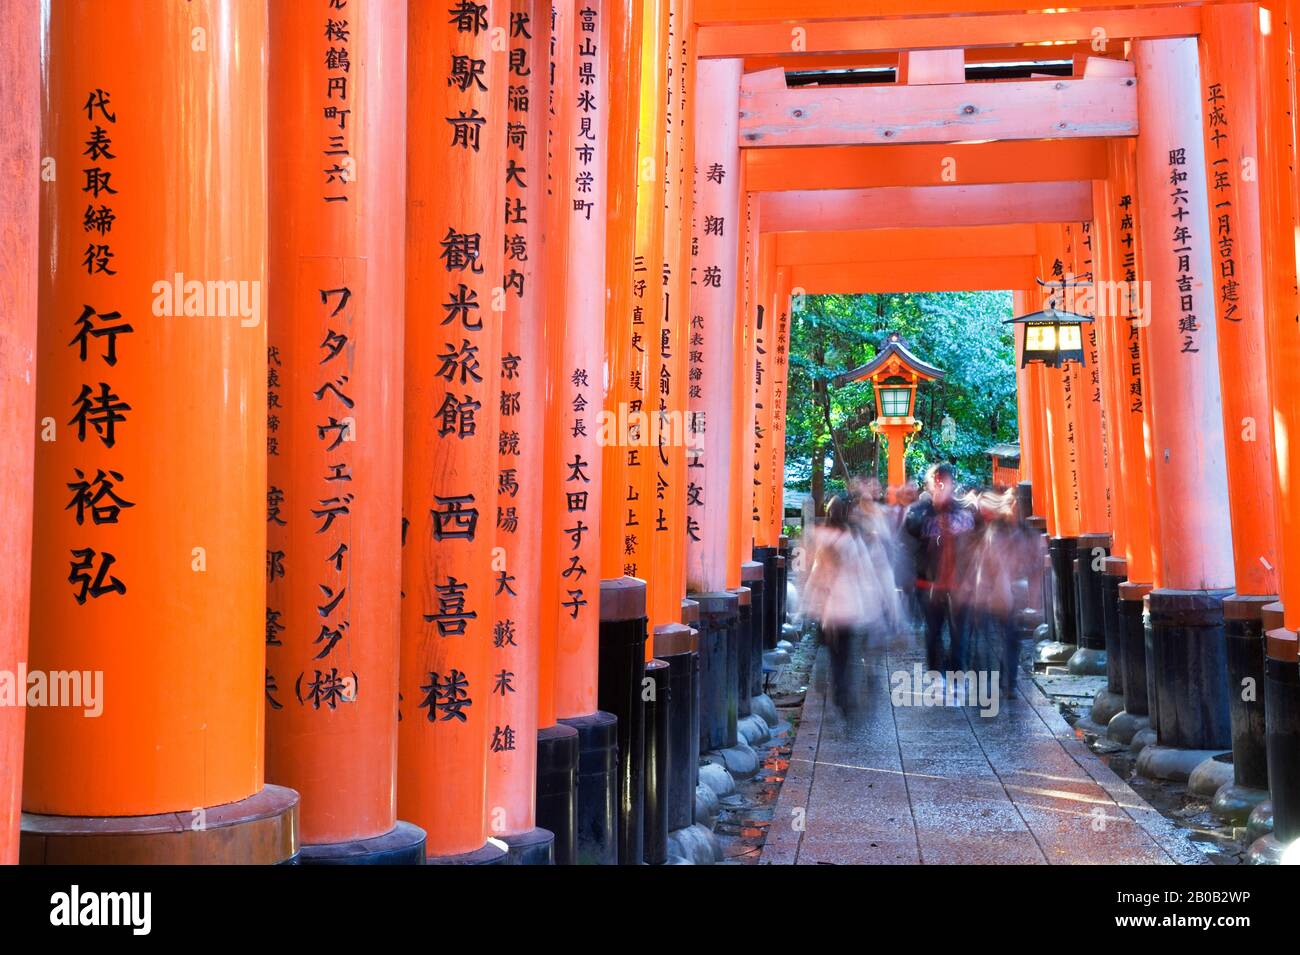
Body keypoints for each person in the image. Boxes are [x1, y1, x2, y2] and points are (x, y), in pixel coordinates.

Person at [803, 494, 879, 725]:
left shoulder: (822, 542)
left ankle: (839, 693)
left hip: (830, 608)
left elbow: (815, 575)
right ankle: (846, 696)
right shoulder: (852, 539)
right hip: (850, 606)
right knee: (847, 654)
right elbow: (865, 571)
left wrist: (807, 603)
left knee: (836, 656)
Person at [904, 463, 976, 675]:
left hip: (960, 584)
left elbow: (975, 545)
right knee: (934, 631)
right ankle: (938, 674)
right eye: (936, 481)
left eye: (945, 480)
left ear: (952, 483)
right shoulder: (918, 512)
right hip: (928, 584)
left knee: (959, 634)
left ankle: (956, 672)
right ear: (930, 485)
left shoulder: (965, 510)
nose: (941, 485)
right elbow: (910, 538)